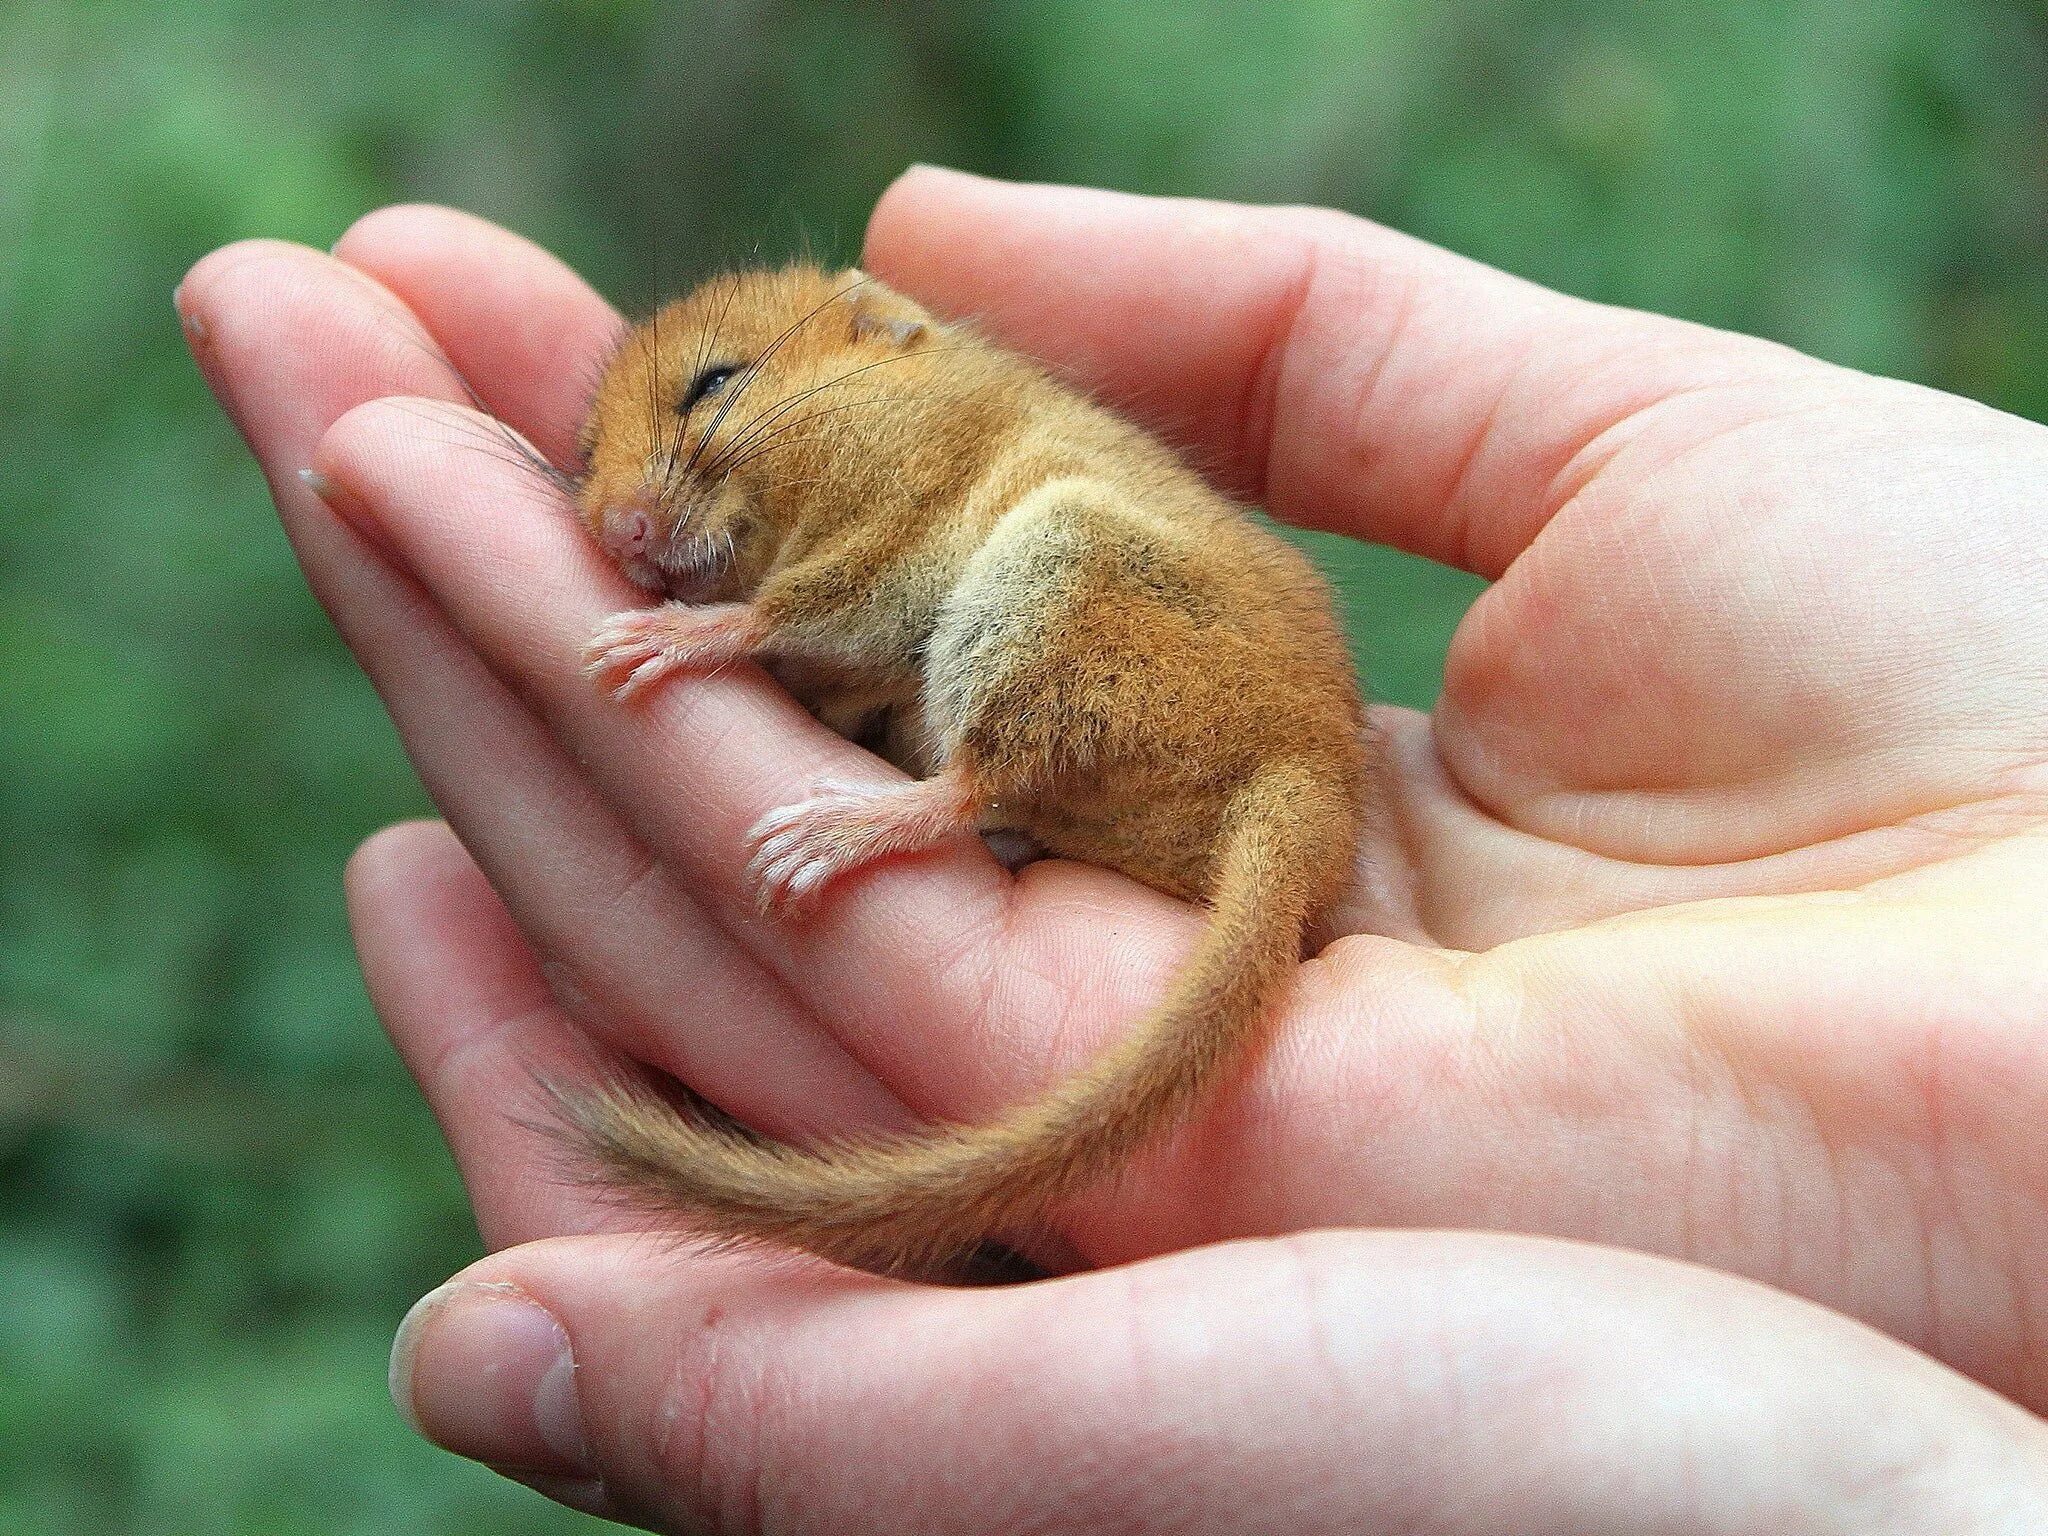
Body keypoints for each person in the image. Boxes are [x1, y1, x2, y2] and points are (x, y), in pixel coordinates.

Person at [179, 167, 2048, 1532]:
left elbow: (916, 574)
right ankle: (973, 796)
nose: (631, 498)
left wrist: (754, 639)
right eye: (606, 471)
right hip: (1204, 771)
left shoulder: (931, 422)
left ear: (876, 338)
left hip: (1177, 713)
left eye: (710, 406)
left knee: (1044, 554)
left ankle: (961, 799)